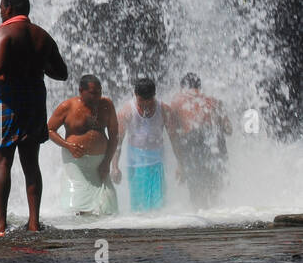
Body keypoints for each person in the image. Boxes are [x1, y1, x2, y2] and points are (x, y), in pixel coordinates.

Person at [0, 0, 69, 236]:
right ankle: (34, 224)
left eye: (1, 7)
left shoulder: (5, 32)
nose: (0, 12)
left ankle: (0, 226)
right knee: (31, 162)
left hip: (10, 100)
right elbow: (61, 73)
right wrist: (36, 63)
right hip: (35, 99)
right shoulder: (42, 36)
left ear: (10, 8)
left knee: (2, 160)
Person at [48, 75, 119, 216]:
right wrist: (68, 145)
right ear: (81, 91)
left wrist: (107, 162)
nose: (97, 96)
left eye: (99, 92)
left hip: (100, 163)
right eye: (93, 93)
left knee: (108, 206)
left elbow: (114, 136)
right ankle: (79, 234)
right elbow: (49, 130)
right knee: (78, 206)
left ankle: (101, 233)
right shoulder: (67, 107)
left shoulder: (107, 105)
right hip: (75, 162)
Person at [110, 78, 179, 212]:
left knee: (159, 203)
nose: (146, 105)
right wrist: (115, 167)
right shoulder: (126, 111)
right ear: (136, 95)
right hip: (135, 162)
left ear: (154, 96)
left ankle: (158, 230)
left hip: (157, 160)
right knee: (139, 205)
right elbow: (118, 141)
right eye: (142, 102)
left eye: (149, 101)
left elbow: (174, 139)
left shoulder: (164, 110)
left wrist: (180, 164)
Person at [168, 73, 232, 207]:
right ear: (199, 87)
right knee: (216, 185)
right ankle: (219, 218)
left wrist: (180, 164)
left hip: (193, 138)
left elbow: (173, 135)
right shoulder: (213, 101)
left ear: (183, 88)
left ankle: (201, 219)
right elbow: (228, 130)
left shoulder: (177, 102)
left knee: (197, 189)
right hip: (215, 138)